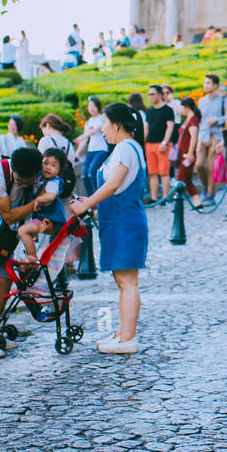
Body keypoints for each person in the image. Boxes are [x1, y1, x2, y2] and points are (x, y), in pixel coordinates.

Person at [70, 103, 148, 354]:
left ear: (117, 124)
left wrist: (87, 204)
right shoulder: (127, 148)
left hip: (124, 223)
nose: (101, 128)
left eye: (104, 123)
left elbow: (113, 185)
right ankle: (123, 334)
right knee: (123, 281)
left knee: (128, 282)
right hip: (119, 222)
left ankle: (128, 338)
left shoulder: (125, 148)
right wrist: (91, 205)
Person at [0, 146, 43, 356]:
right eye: (19, 180)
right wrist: (36, 204)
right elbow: (10, 215)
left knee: (5, 277)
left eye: (27, 181)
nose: (23, 184)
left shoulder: (33, 176)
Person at [196, 73, 226, 202]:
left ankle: (210, 194)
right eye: (204, 83)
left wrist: (217, 120)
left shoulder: (223, 100)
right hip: (202, 135)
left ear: (215, 85)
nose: (205, 86)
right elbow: (199, 120)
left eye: (208, 83)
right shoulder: (201, 101)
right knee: (199, 165)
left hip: (216, 136)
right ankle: (204, 186)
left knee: (211, 166)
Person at [144, 85, 174, 202]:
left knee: (164, 173)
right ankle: (154, 198)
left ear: (160, 95)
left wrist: (165, 142)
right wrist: (144, 142)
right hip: (149, 145)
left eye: (153, 94)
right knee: (152, 173)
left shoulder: (168, 110)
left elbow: (170, 127)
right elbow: (146, 127)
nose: (150, 96)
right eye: (149, 94)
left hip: (162, 145)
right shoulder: (150, 110)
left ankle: (165, 198)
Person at [75, 97, 108, 198]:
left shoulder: (102, 118)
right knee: (84, 175)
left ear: (98, 106)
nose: (91, 108)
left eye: (93, 105)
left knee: (92, 173)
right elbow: (85, 140)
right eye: (89, 106)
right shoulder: (88, 121)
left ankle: (100, 197)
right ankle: (92, 199)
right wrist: (77, 154)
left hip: (101, 150)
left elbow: (93, 131)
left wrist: (81, 137)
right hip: (91, 150)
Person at [175, 98, 201, 204]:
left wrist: (190, 153)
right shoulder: (188, 119)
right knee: (188, 179)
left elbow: (193, 137)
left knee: (181, 178)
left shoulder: (193, 120)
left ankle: (178, 203)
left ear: (186, 107)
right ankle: (197, 201)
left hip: (187, 154)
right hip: (183, 153)